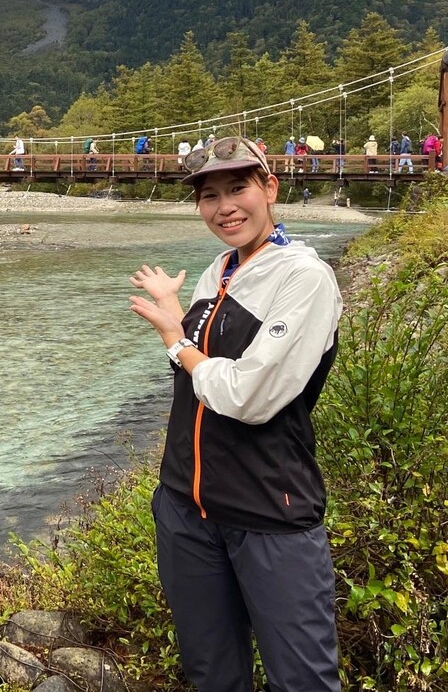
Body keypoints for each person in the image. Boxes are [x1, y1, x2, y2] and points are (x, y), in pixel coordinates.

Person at [127, 135, 341, 692]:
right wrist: (179, 322)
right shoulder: (218, 270)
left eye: (238, 187)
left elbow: (247, 395)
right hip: (184, 507)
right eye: (209, 195)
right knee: (212, 674)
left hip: (270, 511)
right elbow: (200, 374)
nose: (224, 207)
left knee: (303, 681)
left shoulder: (304, 278)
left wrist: (176, 340)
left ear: (270, 188)